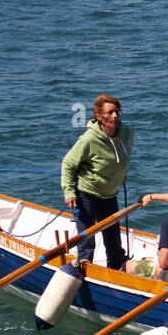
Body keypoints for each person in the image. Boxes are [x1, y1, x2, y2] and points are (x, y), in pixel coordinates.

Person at [61, 94, 133, 271]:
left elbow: (124, 157)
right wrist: (69, 192)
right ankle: (85, 270)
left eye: (117, 112)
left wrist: (121, 174)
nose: (115, 116)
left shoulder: (127, 133)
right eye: (110, 113)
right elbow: (68, 164)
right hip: (87, 194)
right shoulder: (89, 139)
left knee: (114, 241)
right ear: (98, 116)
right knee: (87, 242)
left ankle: (115, 270)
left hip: (110, 194)